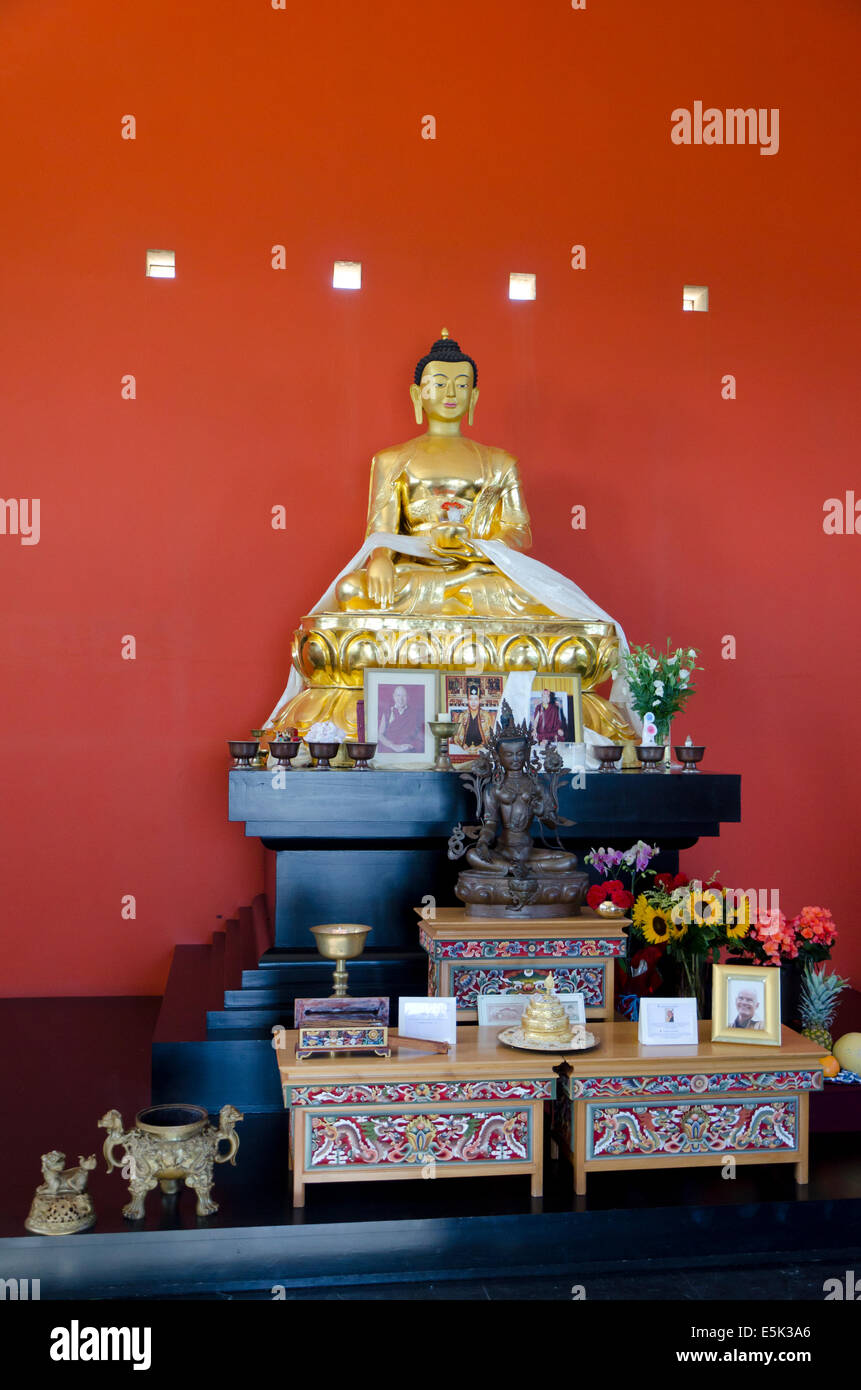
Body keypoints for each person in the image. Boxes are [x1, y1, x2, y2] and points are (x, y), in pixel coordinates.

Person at [377, 685, 423, 753]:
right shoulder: (388, 712)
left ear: (408, 697)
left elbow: (420, 736)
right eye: (398, 695)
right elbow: (380, 735)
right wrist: (393, 746)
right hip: (390, 749)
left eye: (404, 696)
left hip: (408, 749)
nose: (401, 699)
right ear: (394, 696)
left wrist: (412, 745)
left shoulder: (415, 713)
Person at [452, 681, 496, 752]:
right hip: (464, 750)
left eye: (476, 699)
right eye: (470, 699)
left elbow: (490, 735)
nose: (473, 702)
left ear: (480, 701)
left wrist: (481, 746)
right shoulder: (463, 716)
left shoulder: (485, 715)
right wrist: (463, 745)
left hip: (482, 750)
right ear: (467, 701)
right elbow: (457, 736)